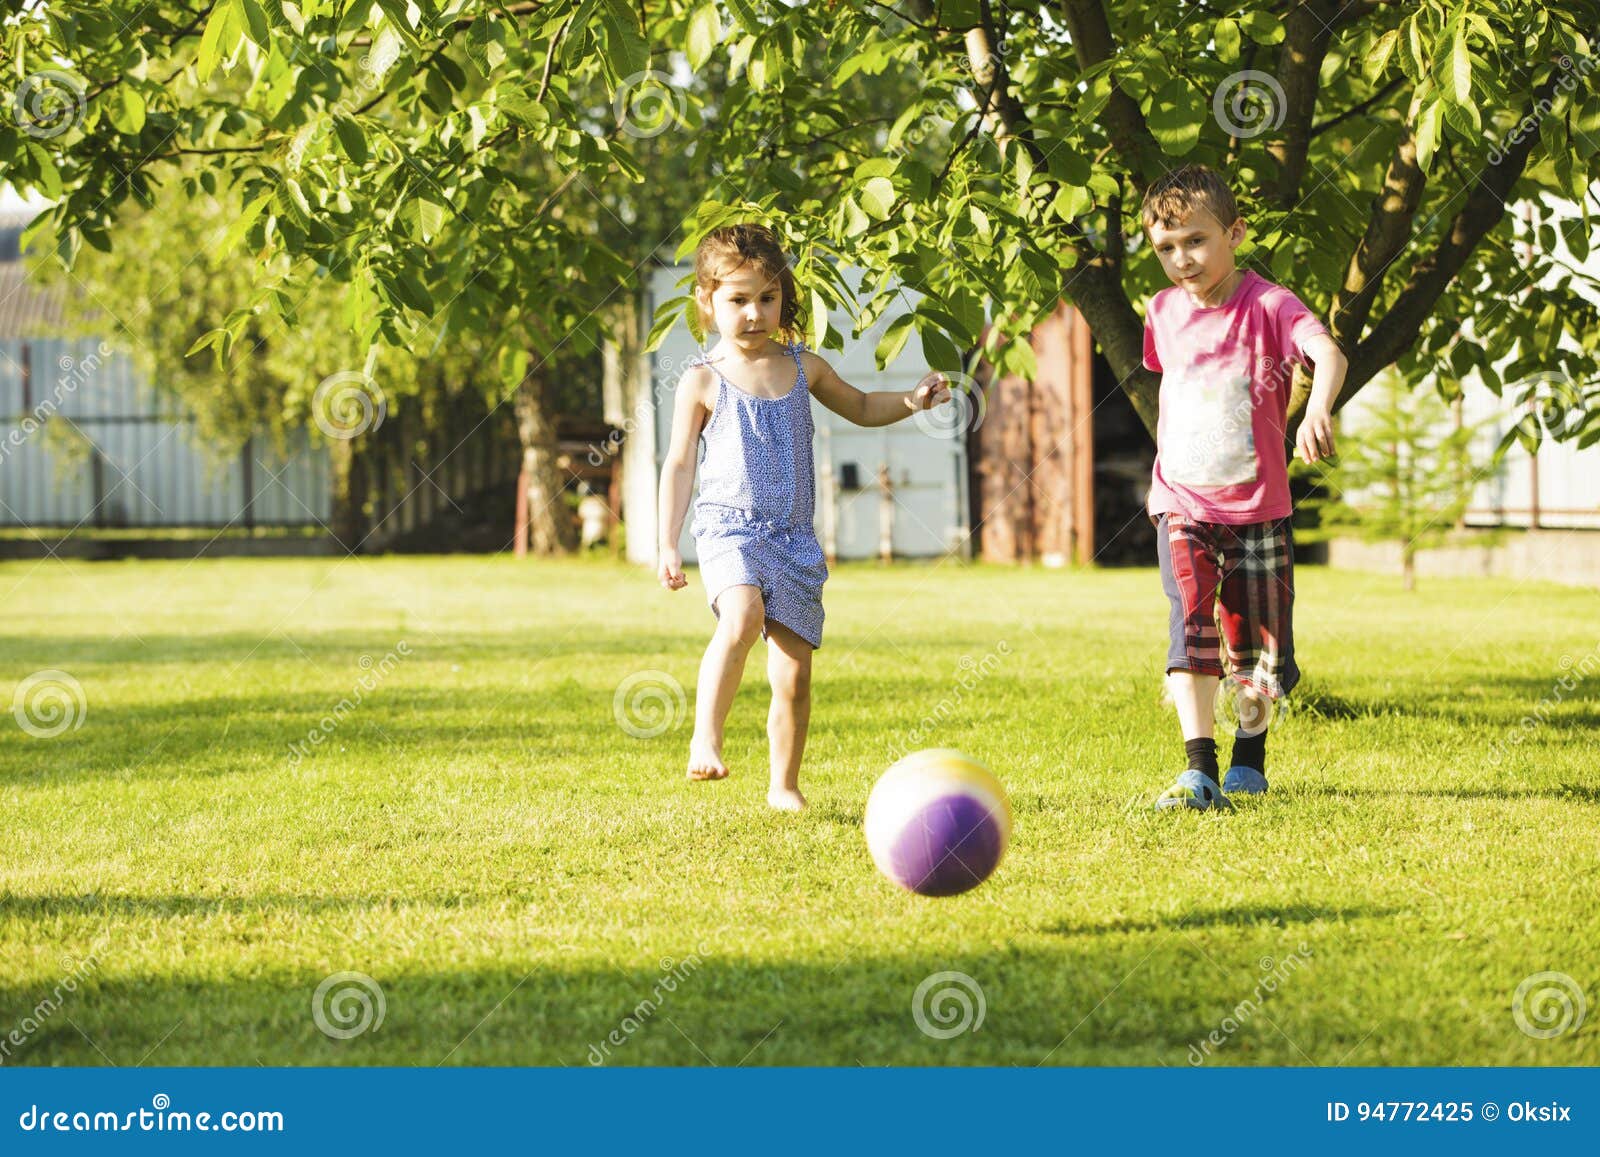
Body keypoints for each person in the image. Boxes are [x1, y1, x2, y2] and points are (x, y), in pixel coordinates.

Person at [656, 224, 949, 811]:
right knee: (741, 616)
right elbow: (680, 463)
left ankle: (784, 785)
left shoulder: (802, 367)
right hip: (728, 526)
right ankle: (705, 738)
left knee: (794, 675)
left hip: (793, 536)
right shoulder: (702, 378)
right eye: (737, 300)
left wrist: (912, 402)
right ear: (707, 302)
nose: (754, 313)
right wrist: (667, 543)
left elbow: (863, 407)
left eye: (767, 298)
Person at [1139, 165, 1347, 811]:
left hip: (1259, 507)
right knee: (1191, 623)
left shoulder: (1269, 304)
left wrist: (1318, 407)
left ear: (1235, 232)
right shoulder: (1161, 311)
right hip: (1182, 501)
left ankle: (1248, 761)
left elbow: (1329, 352)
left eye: (1196, 241)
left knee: (1259, 645)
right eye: (1166, 248)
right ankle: (1198, 769)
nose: (1182, 259)